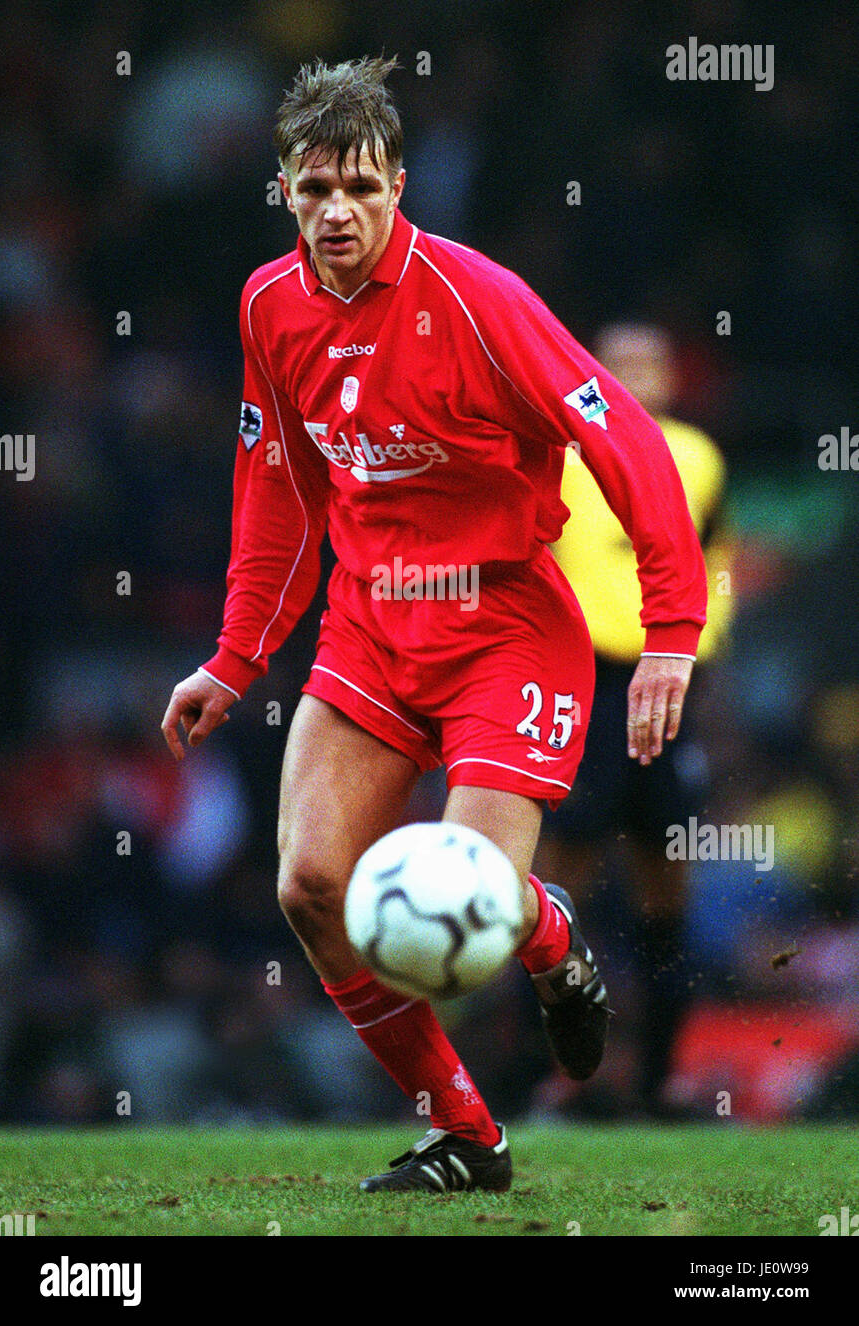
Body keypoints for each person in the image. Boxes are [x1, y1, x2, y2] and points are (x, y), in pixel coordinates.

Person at [161, 57, 707, 1193]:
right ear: (286, 195)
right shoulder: (270, 306)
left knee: (473, 899)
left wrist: (669, 626)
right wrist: (235, 655)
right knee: (310, 885)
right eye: (313, 191)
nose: (336, 212)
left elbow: (625, 442)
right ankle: (465, 1131)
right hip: (367, 628)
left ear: (398, 186)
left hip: (504, 627)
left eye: (359, 187)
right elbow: (276, 482)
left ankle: (546, 934)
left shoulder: (478, 297)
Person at [545, 321, 730, 1115]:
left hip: (669, 681)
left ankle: (659, 1083)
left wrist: (699, 659)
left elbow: (709, 566)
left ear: (669, 376)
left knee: (665, 890)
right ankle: (549, 1082)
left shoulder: (695, 456)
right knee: (557, 890)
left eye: (647, 363)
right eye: (615, 363)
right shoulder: (554, 453)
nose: (633, 375)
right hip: (577, 682)